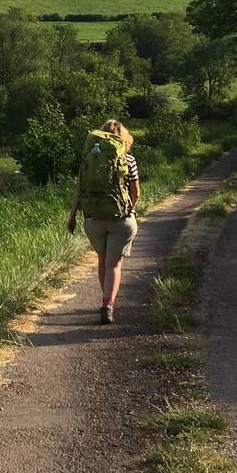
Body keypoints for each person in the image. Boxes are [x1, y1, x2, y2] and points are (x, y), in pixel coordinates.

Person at [67, 119, 141, 324]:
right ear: (123, 137)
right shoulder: (128, 160)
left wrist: (72, 217)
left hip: (93, 219)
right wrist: (130, 209)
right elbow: (136, 192)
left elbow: (79, 191)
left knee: (102, 261)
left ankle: (106, 299)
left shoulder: (88, 161)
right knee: (114, 265)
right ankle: (108, 305)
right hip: (121, 220)